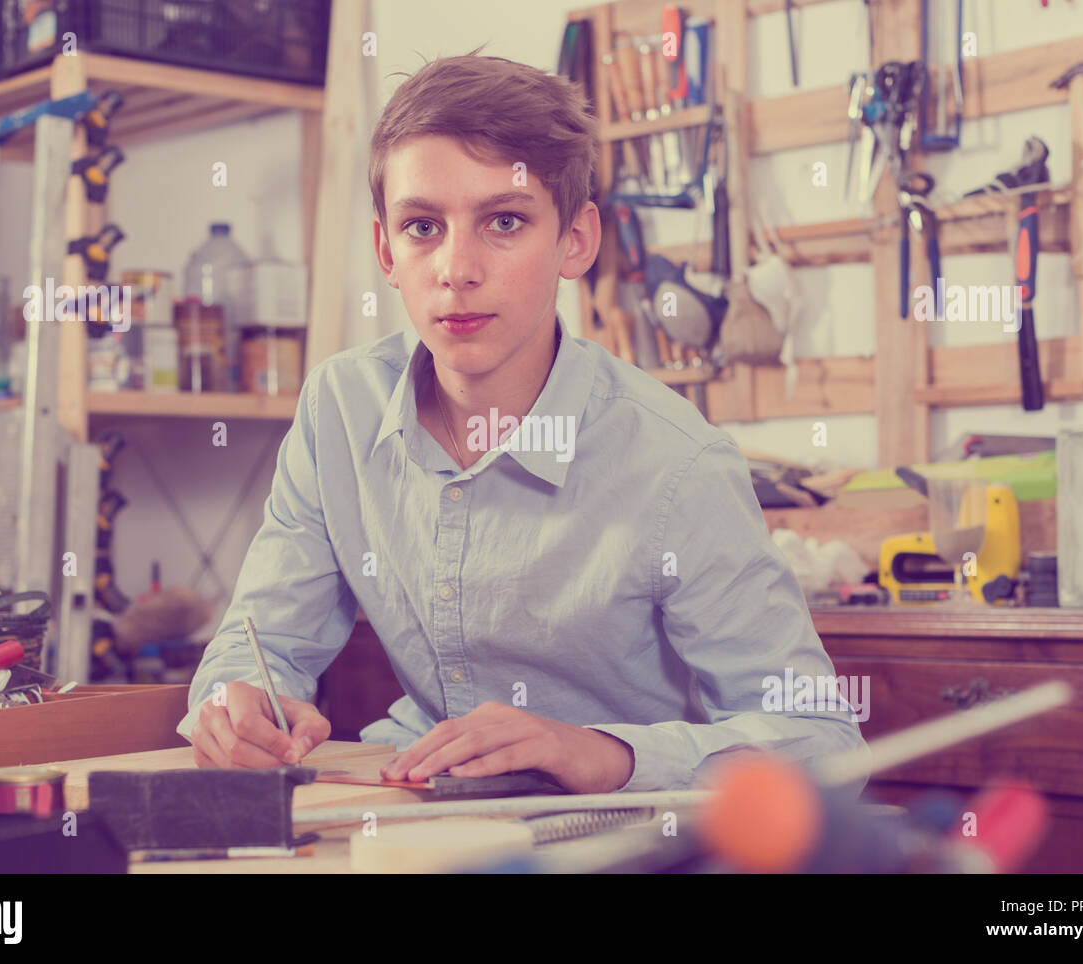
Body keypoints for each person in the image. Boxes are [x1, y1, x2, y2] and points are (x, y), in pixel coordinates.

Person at [178, 51, 866, 794]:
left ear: (576, 240)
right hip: (413, 806)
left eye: (504, 221)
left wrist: (600, 753)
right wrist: (235, 701)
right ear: (385, 248)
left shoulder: (679, 463)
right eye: (421, 226)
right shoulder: (337, 409)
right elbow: (260, 644)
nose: (457, 268)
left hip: (619, 835)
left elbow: (826, 744)